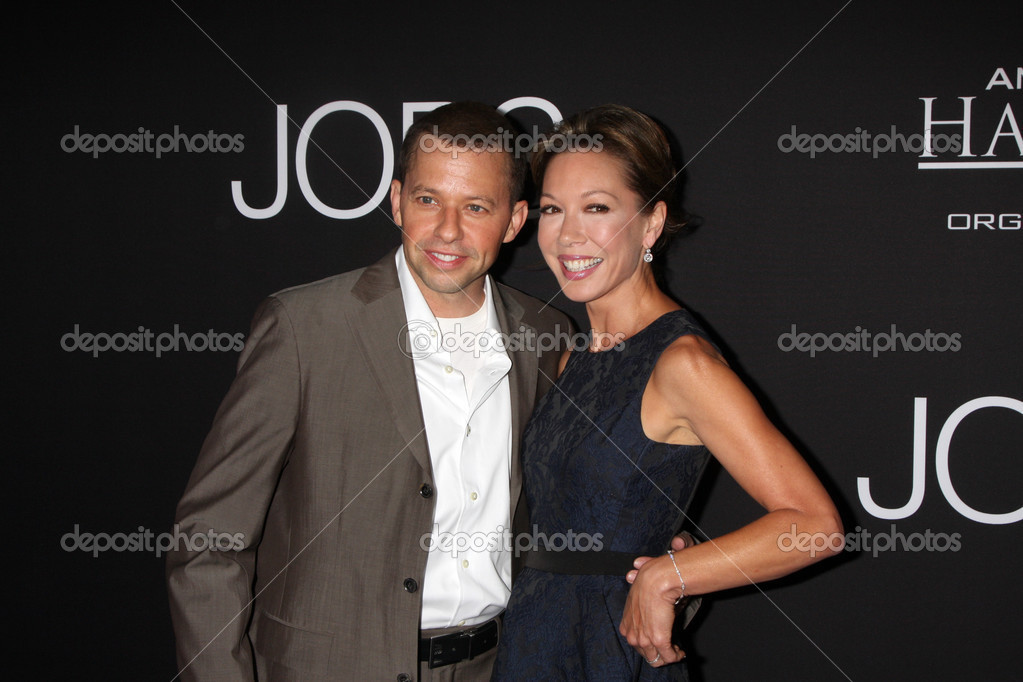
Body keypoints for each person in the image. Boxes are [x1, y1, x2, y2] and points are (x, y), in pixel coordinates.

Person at [166, 101, 574, 681]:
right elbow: (209, 542)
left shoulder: (547, 335)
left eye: (476, 207)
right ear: (396, 200)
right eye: (428, 200)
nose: (448, 230)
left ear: (514, 222)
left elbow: (560, 510)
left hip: (497, 666)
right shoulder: (305, 327)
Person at [492, 104, 843, 680]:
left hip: (609, 651)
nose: (568, 234)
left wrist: (669, 576)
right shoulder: (573, 353)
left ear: (651, 225)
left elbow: (815, 527)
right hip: (535, 638)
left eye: (598, 208)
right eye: (553, 209)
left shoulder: (681, 362)